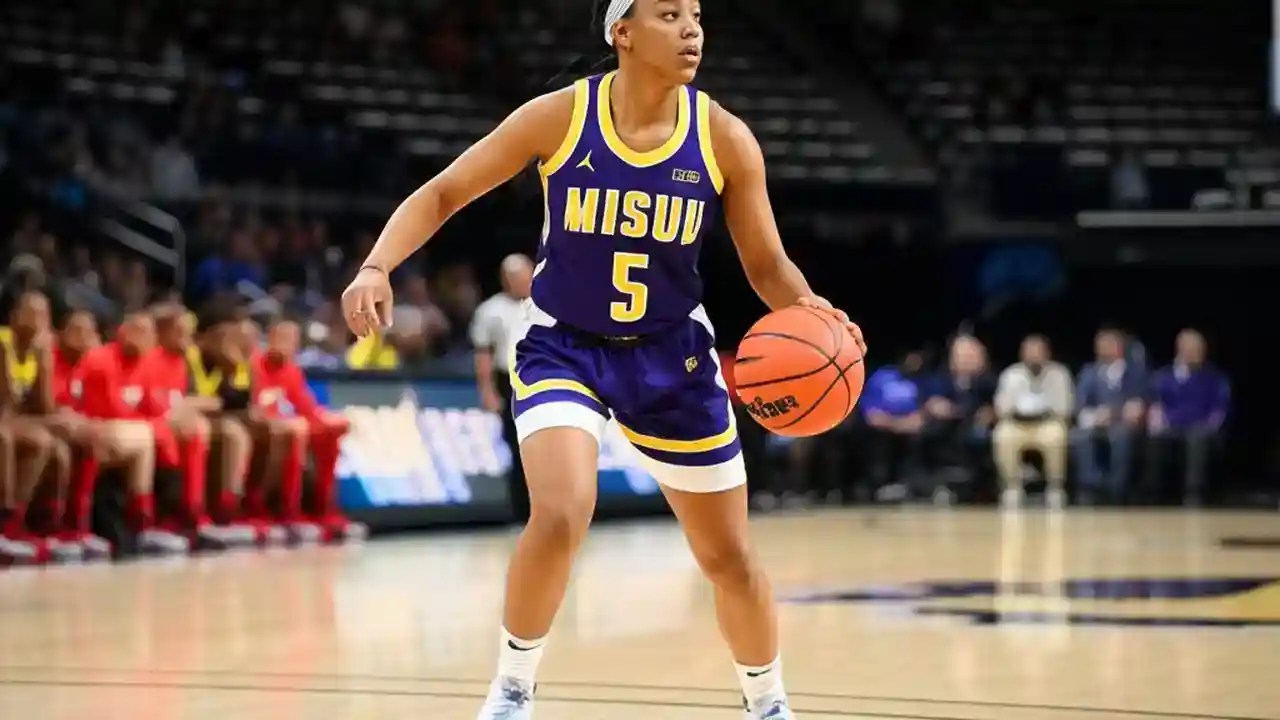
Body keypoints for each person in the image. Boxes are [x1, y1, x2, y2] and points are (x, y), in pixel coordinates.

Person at [340, 1, 865, 717]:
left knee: (729, 559)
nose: (692, 29)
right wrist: (377, 265)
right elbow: (445, 192)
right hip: (566, 344)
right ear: (622, 31)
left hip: (673, 353)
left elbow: (767, 265)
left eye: (698, 15)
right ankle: (512, 690)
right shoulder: (559, 117)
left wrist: (815, 315)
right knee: (561, 513)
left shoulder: (725, 139)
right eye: (669, 13)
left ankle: (767, 702)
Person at [74, 311, 190, 555]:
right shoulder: (100, 359)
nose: (140, 337)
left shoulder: (145, 364)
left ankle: (142, 524)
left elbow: (155, 408)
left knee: (149, 438)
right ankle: (135, 524)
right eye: (135, 330)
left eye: (147, 333)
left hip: (127, 433)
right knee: (147, 436)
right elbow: (108, 409)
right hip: (95, 427)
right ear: (121, 331)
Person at [253, 318, 365, 542]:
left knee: (332, 428)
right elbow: (256, 407)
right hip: (266, 426)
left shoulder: (293, 370)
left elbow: (307, 407)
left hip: (292, 426)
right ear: (270, 339)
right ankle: (287, 510)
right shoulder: (255, 365)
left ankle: (325, 509)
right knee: (297, 431)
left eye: (292, 341)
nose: (287, 345)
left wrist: (329, 419)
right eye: (282, 339)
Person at [0, 291, 80, 563]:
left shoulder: (38, 351)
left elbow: (43, 405)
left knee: (58, 447)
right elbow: (6, 406)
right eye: (32, 313)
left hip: (14, 421)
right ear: (13, 317)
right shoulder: (3, 344)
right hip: (4, 421)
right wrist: (49, 421)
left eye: (44, 315)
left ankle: (45, 523)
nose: (39, 321)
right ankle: (7, 522)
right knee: (28, 439)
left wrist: (44, 361)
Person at [471, 253, 535, 522]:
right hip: (509, 381)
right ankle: (524, 513)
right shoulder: (490, 311)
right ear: (506, 281)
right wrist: (487, 391)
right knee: (519, 450)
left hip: (547, 378)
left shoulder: (547, 305)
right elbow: (483, 355)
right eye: (517, 278)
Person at [1144, 329, 1230, 506]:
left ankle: (1193, 493)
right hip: (1171, 427)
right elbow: (1155, 404)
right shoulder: (1163, 376)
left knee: (1196, 438)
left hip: (1201, 428)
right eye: (1192, 349)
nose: (1197, 353)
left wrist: (1211, 426)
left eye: (1200, 349)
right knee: (1155, 439)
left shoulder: (1214, 377)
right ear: (1180, 349)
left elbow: (1220, 409)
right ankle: (1153, 493)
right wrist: (1157, 420)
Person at [992, 334, 1073, 510]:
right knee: (1003, 434)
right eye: (1029, 351)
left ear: (1047, 353)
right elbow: (1001, 407)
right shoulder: (1010, 374)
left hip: (1047, 422)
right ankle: (1012, 487)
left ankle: (1055, 488)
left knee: (1056, 436)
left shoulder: (1060, 374)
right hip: (1017, 423)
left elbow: (1065, 408)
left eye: (1038, 351)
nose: (1034, 355)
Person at [1071, 328, 1146, 505]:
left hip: (1124, 422)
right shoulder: (1089, 372)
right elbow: (1080, 403)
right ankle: (1089, 488)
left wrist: (1115, 413)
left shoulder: (1135, 373)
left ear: (1119, 347)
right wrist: (1095, 416)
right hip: (1096, 421)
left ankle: (1116, 489)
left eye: (1108, 344)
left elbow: (1137, 403)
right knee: (1081, 436)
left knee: (1119, 436)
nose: (1102, 349)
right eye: (1099, 345)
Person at [921, 335, 997, 502]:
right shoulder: (939, 378)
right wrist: (934, 406)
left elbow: (994, 407)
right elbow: (931, 402)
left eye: (971, 356)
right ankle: (933, 485)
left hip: (976, 427)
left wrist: (990, 412)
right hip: (946, 426)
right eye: (961, 356)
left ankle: (980, 488)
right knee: (929, 434)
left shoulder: (989, 381)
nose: (966, 360)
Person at [859, 349, 927, 502]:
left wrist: (905, 425)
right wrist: (896, 424)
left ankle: (908, 487)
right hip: (882, 429)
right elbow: (872, 415)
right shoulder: (882, 377)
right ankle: (877, 488)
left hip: (909, 430)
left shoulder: (920, 380)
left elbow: (921, 416)